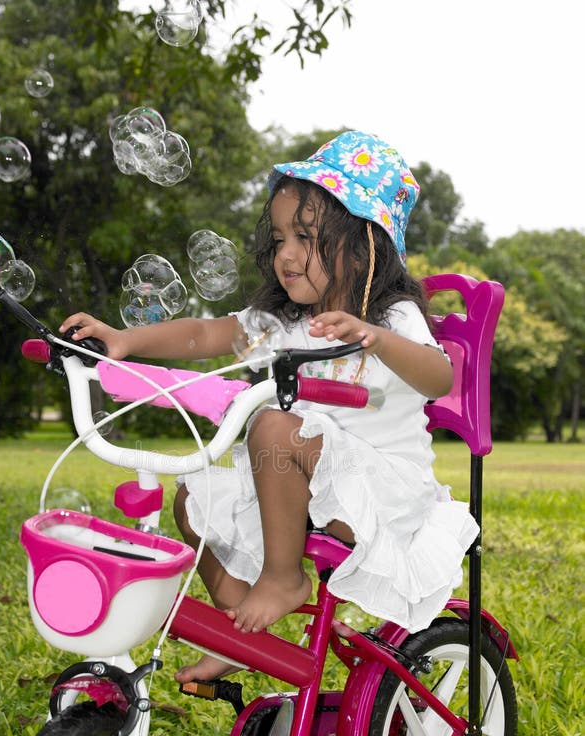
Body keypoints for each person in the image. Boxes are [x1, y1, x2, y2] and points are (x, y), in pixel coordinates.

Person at [60, 130, 479, 684]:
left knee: (274, 425)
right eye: (280, 238)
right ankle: (238, 633)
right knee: (193, 499)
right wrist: (124, 340)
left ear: (364, 246)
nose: (286, 254)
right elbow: (207, 334)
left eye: (305, 237)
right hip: (301, 484)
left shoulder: (392, 316)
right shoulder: (285, 321)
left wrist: (376, 340)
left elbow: (439, 376)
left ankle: (283, 580)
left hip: (381, 496)